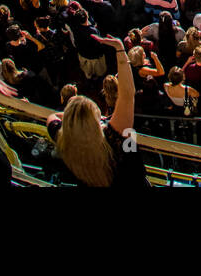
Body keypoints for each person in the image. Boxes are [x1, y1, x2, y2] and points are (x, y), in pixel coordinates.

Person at [52, 36, 147, 187]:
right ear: (96, 117)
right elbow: (128, 95)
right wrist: (120, 49)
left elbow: (51, 117)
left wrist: (74, 120)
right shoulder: (112, 137)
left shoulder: (65, 140)